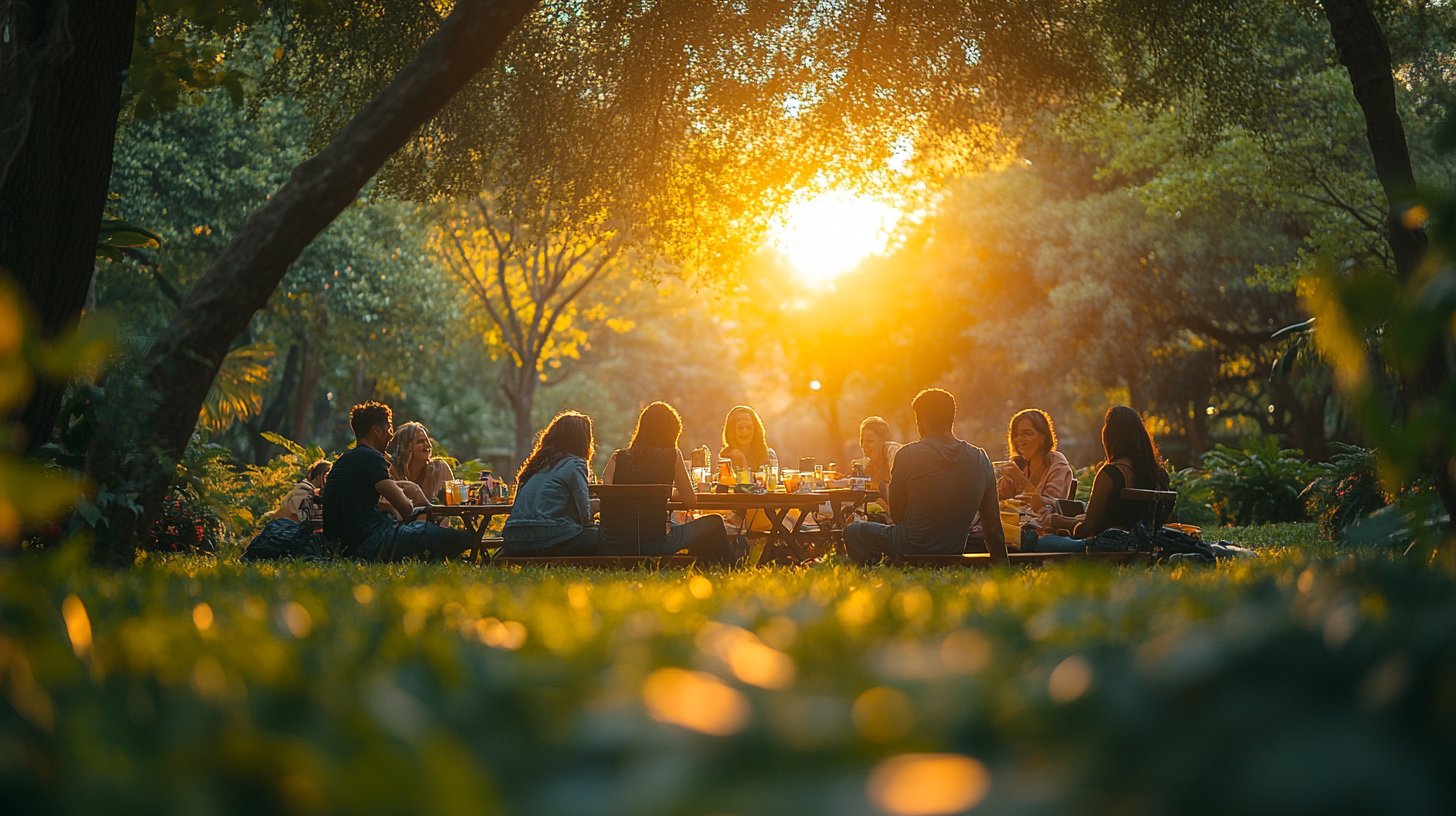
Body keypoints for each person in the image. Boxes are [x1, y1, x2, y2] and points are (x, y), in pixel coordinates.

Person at [843, 388, 1008, 565]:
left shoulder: (908, 455)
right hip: (953, 550)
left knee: (852, 532)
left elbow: (898, 517)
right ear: (951, 419)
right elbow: (993, 527)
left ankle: (877, 572)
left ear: (920, 420)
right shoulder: (981, 458)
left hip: (909, 546)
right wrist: (1004, 570)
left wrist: (884, 488)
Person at [321, 401, 473, 562]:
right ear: (376, 431)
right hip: (370, 542)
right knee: (459, 538)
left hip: (339, 545)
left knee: (427, 534)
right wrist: (413, 491)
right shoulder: (372, 458)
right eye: (389, 428)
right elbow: (406, 508)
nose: (391, 435)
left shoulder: (344, 460)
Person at [601, 401, 739, 563]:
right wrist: (670, 494)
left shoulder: (617, 458)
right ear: (672, 432)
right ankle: (727, 568)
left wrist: (666, 493)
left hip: (615, 544)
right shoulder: (672, 455)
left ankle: (704, 565)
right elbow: (690, 501)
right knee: (714, 521)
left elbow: (608, 498)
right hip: (653, 544)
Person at [1027, 405, 1171, 553]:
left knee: (1042, 542)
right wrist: (1076, 520)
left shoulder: (1111, 474)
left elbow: (1086, 530)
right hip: (1145, 546)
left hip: (1106, 548)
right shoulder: (1159, 474)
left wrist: (1056, 520)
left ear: (1111, 436)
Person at [501, 411, 601, 556]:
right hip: (548, 538)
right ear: (583, 439)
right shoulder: (575, 464)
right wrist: (598, 504)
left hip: (514, 538)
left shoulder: (535, 466)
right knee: (603, 535)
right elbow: (585, 517)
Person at [996, 408, 1075, 526]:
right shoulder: (1020, 464)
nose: (1019, 440)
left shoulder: (1058, 466)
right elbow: (1001, 501)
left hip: (1044, 533)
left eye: (1028, 433)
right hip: (1017, 529)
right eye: (1016, 434)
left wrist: (1021, 480)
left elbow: (1047, 508)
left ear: (1042, 438)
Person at [386, 421, 453, 503]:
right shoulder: (391, 473)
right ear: (406, 447)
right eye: (420, 442)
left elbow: (453, 505)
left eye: (427, 441)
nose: (428, 445)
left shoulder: (438, 469)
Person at [719, 405, 778, 471]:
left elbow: (771, 480)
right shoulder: (725, 458)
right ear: (732, 431)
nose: (745, 431)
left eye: (749, 427)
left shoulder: (769, 455)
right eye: (740, 427)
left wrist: (742, 460)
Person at [855, 416, 902, 490]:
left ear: (884, 440)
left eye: (869, 440)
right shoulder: (867, 468)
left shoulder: (895, 455)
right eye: (861, 441)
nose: (863, 445)